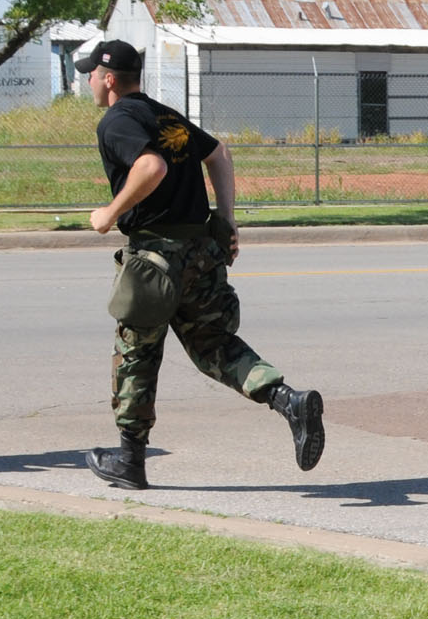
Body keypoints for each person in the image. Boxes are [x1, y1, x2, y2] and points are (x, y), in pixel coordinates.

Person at [79, 39, 323, 488]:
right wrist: (227, 221)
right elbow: (219, 153)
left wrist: (109, 213)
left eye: (90, 74)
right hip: (201, 253)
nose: (88, 81)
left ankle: (130, 461)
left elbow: (151, 167)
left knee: (136, 355)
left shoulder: (116, 121)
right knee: (214, 345)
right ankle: (288, 400)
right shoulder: (164, 115)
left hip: (155, 258)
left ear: (108, 79)